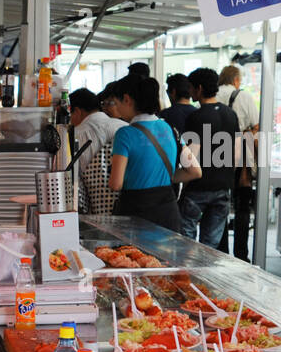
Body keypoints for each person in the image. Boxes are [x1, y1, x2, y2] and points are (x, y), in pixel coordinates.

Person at [108, 77, 200, 230]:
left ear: (127, 99)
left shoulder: (125, 134)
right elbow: (195, 171)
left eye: (116, 103)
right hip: (167, 213)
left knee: (134, 254)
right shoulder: (170, 129)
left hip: (136, 215)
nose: (116, 109)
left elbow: (115, 183)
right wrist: (162, 177)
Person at [178, 67, 240, 249]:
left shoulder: (196, 117)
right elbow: (236, 154)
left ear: (198, 88)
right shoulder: (230, 114)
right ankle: (203, 277)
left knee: (186, 243)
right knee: (210, 247)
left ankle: (187, 277)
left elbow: (191, 156)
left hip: (198, 188)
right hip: (223, 188)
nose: (189, 92)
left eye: (191, 88)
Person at [219, 64, 260, 261]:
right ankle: (241, 254)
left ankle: (220, 252)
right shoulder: (243, 96)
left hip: (216, 156)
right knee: (242, 206)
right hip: (240, 157)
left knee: (219, 204)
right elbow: (256, 126)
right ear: (236, 80)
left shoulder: (213, 95)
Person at [70, 87, 125, 215]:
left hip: (92, 210)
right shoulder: (124, 127)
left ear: (77, 111)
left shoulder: (74, 135)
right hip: (125, 204)